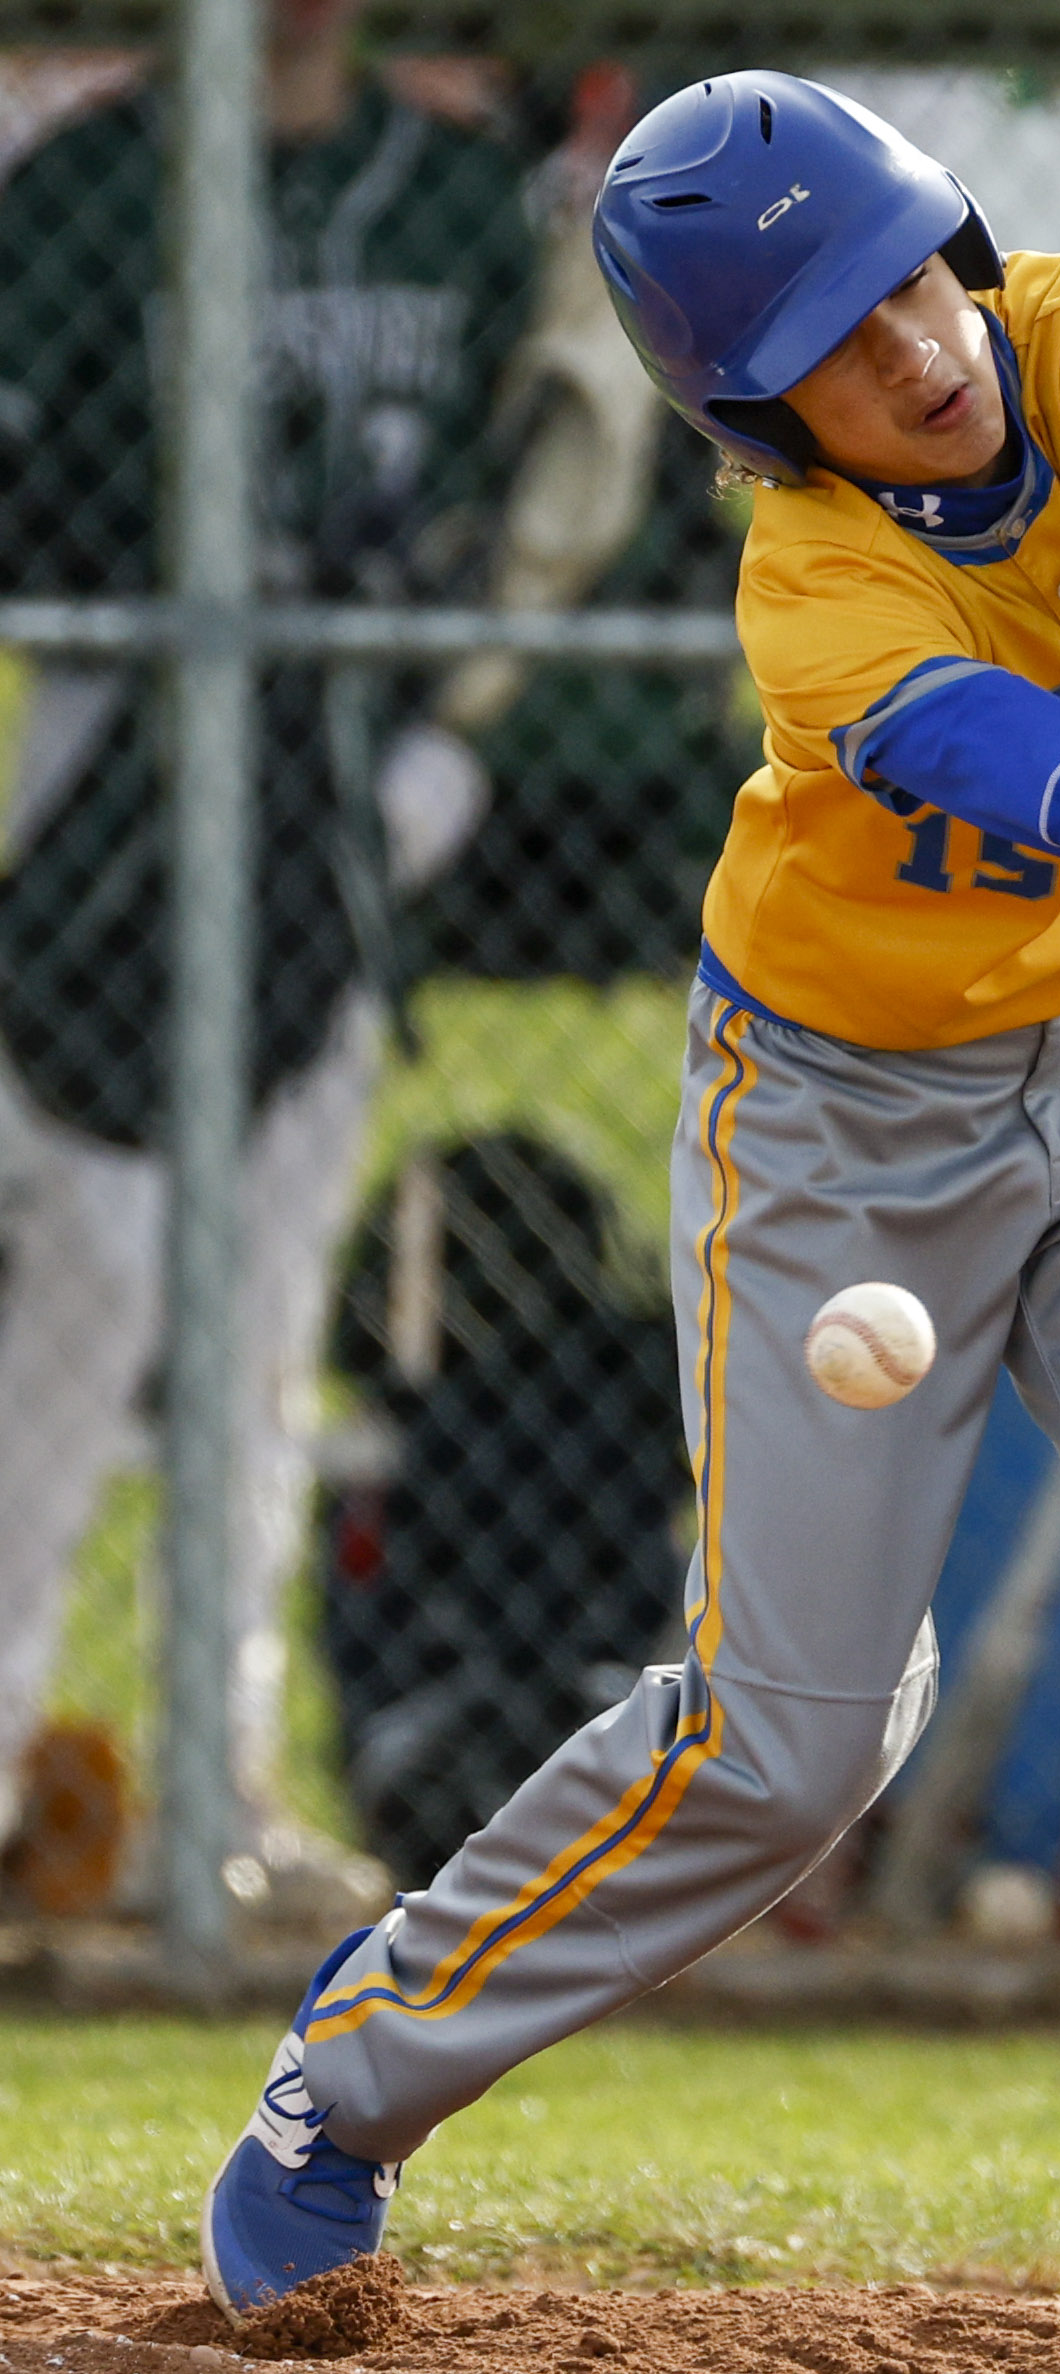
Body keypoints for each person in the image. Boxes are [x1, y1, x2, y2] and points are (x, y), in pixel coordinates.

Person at [198, 72, 1060, 2374]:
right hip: (837, 1123)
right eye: (835, 334)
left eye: (913, 274)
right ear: (754, 412)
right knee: (801, 1742)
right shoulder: (812, 589)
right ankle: (360, 2064)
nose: (911, 344)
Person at [0, 2, 656, 1883]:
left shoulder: (454, 198)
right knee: (88, 1271)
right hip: (114, 752)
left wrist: (448, 730)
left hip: (344, 758)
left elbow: (539, 479)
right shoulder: (97, 180)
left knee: (269, 1306)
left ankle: (216, 1785)